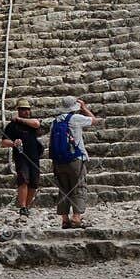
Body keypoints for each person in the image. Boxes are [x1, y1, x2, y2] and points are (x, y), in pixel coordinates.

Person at [49, 95, 97, 228]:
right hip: (75, 159)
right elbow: (94, 120)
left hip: (58, 161)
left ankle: (64, 219)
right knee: (79, 187)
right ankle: (76, 218)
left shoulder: (55, 122)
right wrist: (84, 108)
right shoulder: (76, 118)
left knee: (63, 189)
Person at [1, 99, 44, 215]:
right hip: (21, 156)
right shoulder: (12, 126)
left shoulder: (29, 123)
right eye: (24, 109)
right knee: (23, 180)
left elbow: (37, 123)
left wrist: (20, 119)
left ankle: (27, 206)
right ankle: (23, 206)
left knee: (34, 182)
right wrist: (14, 143)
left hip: (34, 155)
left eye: (28, 109)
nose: (27, 112)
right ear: (19, 110)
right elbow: (4, 141)